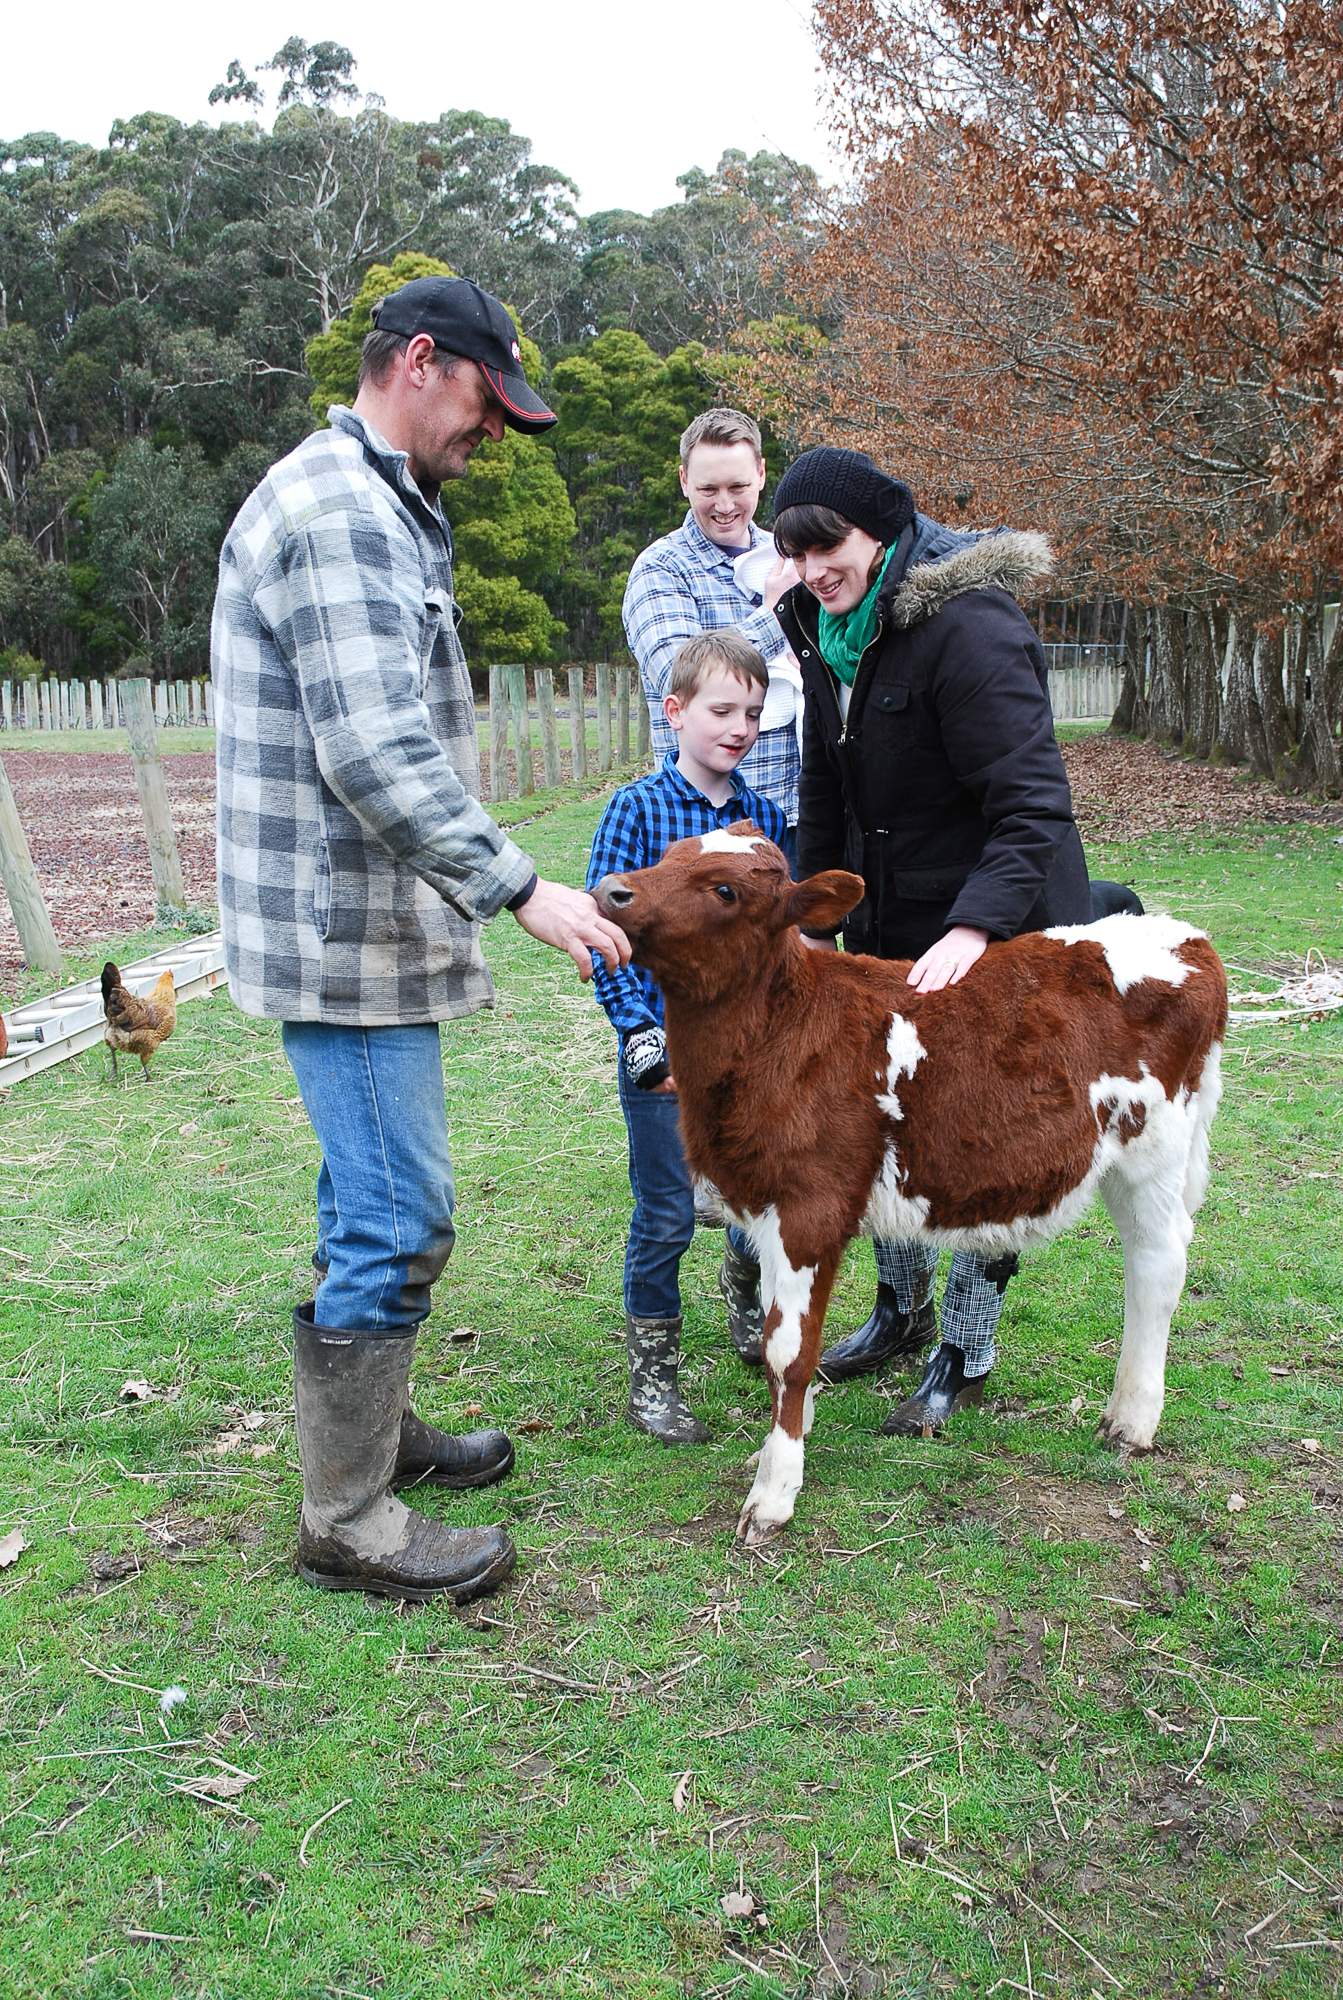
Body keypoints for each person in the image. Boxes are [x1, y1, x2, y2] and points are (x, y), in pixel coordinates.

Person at [212, 276, 629, 1605]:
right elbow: (374, 751)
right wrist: (521, 887)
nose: (493, 429)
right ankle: (346, 1517)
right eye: (486, 400)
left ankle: (375, 1437)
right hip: (343, 931)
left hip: (369, 924)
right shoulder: (338, 511)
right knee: (400, 1214)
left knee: (368, 1201)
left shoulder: (382, 504)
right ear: (417, 362)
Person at [769, 445, 1095, 1436]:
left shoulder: (968, 626)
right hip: (890, 925)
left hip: (996, 931)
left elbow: (1031, 804)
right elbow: (823, 785)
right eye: (795, 552)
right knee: (886, 1120)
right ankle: (897, 1310)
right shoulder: (822, 630)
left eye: (826, 545)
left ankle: (965, 1348)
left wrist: (973, 925)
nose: (811, 569)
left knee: (981, 1137)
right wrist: (812, 919)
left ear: (879, 532)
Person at [585, 631, 788, 1443]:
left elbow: (773, 948)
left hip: (744, 1058)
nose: (739, 727)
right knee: (667, 1212)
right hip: (665, 1057)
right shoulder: (636, 810)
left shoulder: (762, 820)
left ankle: (743, 1296)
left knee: (754, 1197)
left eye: (752, 713)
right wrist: (640, 1032)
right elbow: (605, 932)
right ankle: (653, 1379)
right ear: (674, 711)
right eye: (721, 710)